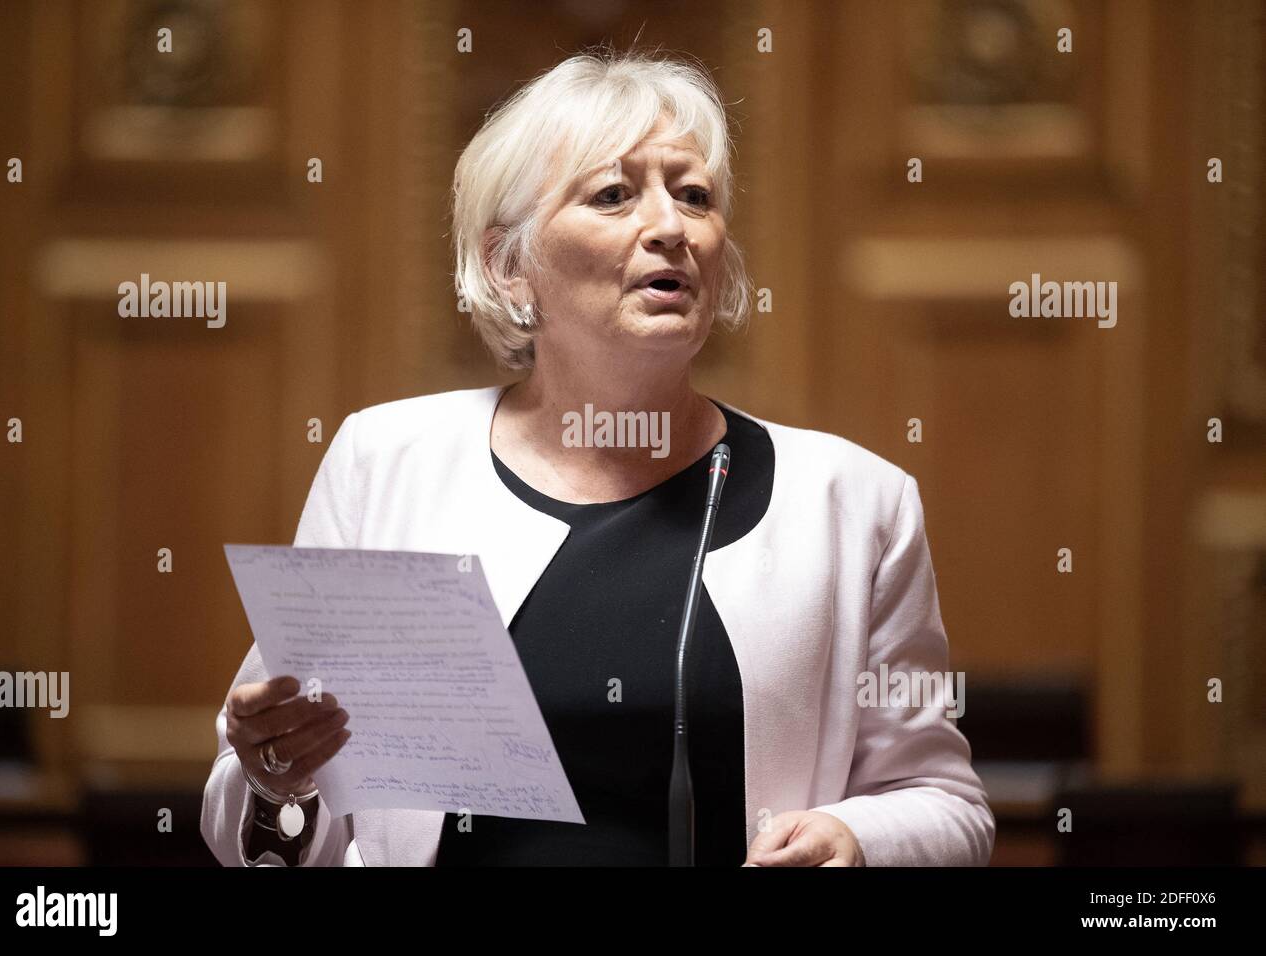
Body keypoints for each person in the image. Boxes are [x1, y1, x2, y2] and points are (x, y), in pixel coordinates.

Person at [200, 48, 995, 867]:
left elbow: (946, 807)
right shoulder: (387, 463)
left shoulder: (853, 500)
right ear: (511, 268)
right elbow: (266, 824)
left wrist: (857, 839)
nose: (672, 228)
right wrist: (277, 782)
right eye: (614, 196)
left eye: (695, 197)